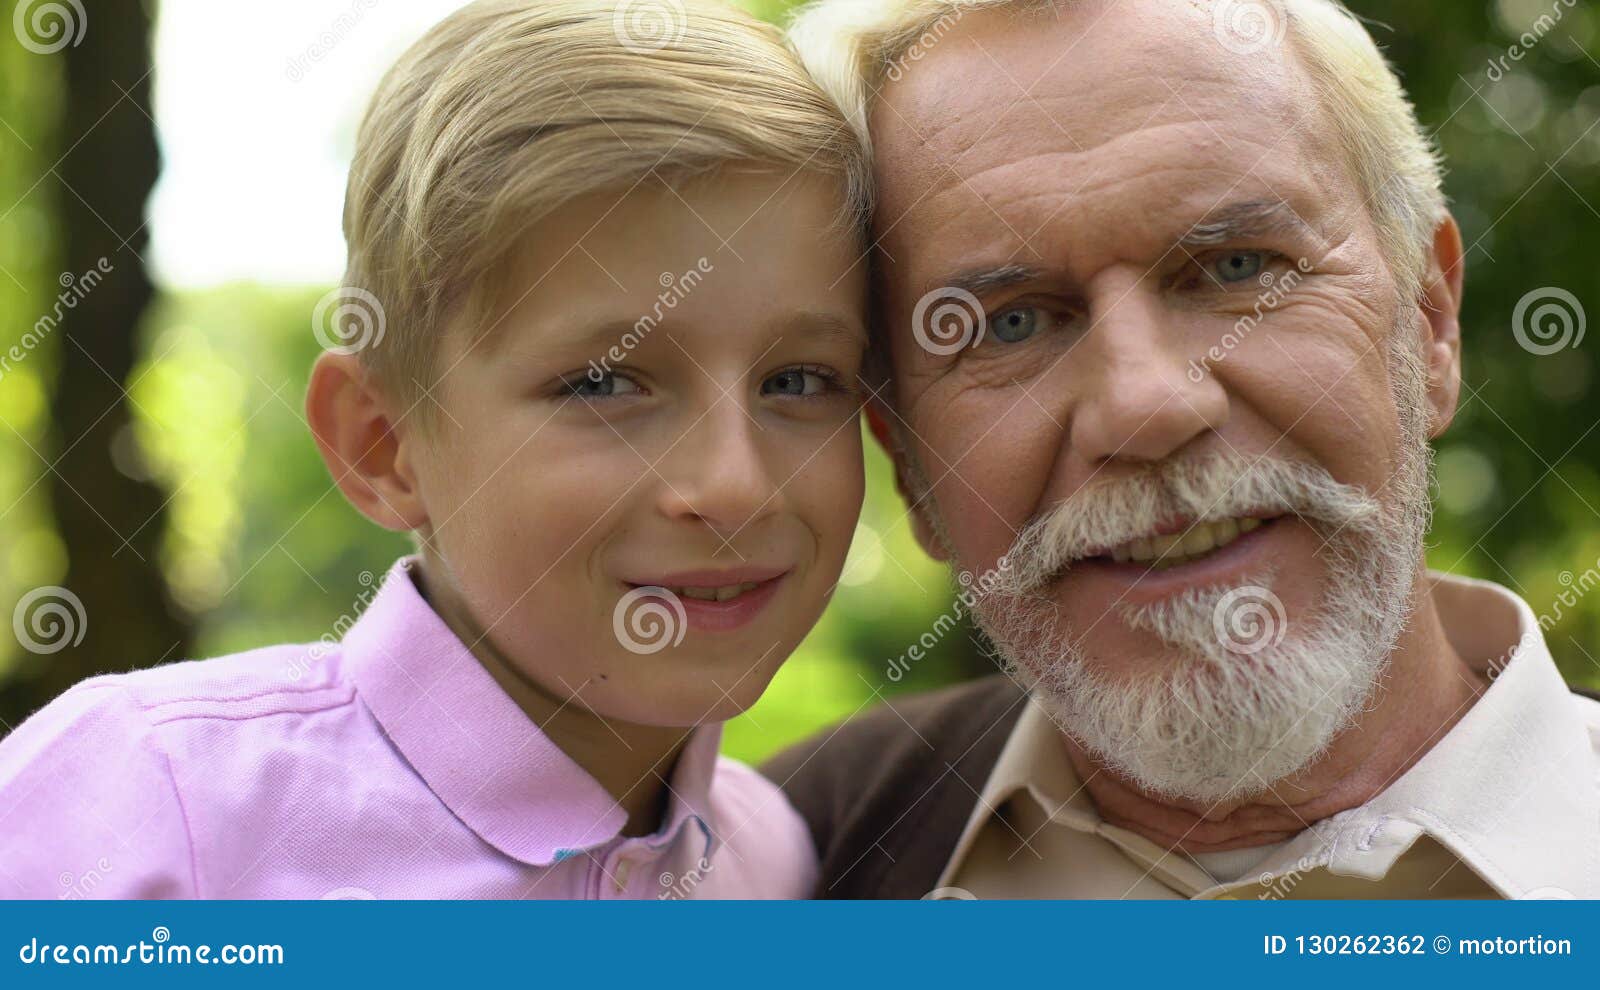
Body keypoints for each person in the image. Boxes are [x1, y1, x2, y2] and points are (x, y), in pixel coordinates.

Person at [0, 0, 870, 899]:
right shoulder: (147, 804)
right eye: (605, 384)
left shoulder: (772, 861)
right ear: (383, 445)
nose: (735, 485)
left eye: (800, 381)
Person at [767, 0, 1600, 899]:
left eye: (1237, 266)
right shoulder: (775, 864)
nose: (1147, 405)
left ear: (1430, 323)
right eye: (1010, 324)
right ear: (909, 468)